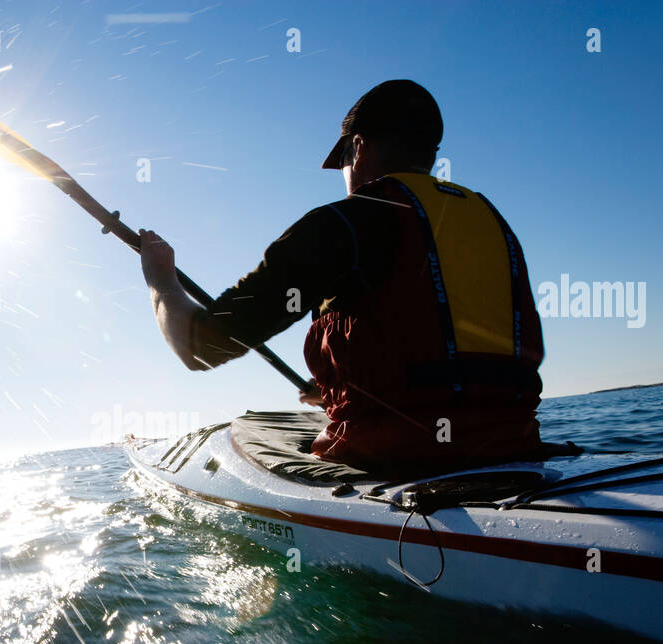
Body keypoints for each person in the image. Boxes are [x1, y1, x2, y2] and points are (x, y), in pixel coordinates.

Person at [138, 79, 546, 469]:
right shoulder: (491, 221)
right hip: (516, 444)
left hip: (393, 456)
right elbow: (444, 340)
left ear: (359, 147)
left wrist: (161, 281)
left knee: (246, 431)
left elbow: (201, 348)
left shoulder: (343, 222)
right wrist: (336, 392)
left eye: (342, 163)